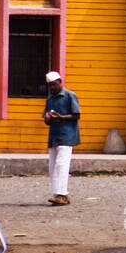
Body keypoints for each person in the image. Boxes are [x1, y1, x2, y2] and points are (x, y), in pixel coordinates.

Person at [42, 70, 80, 205]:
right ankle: (57, 194)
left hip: (67, 135)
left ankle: (61, 194)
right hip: (54, 136)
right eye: (49, 86)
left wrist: (61, 117)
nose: (52, 88)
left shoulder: (70, 95)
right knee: (52, 167)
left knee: (61, 165)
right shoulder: (50, 99)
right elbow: (45, 119)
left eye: (53, 85)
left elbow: (76, 115)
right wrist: (48, 118)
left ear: (60, 82)